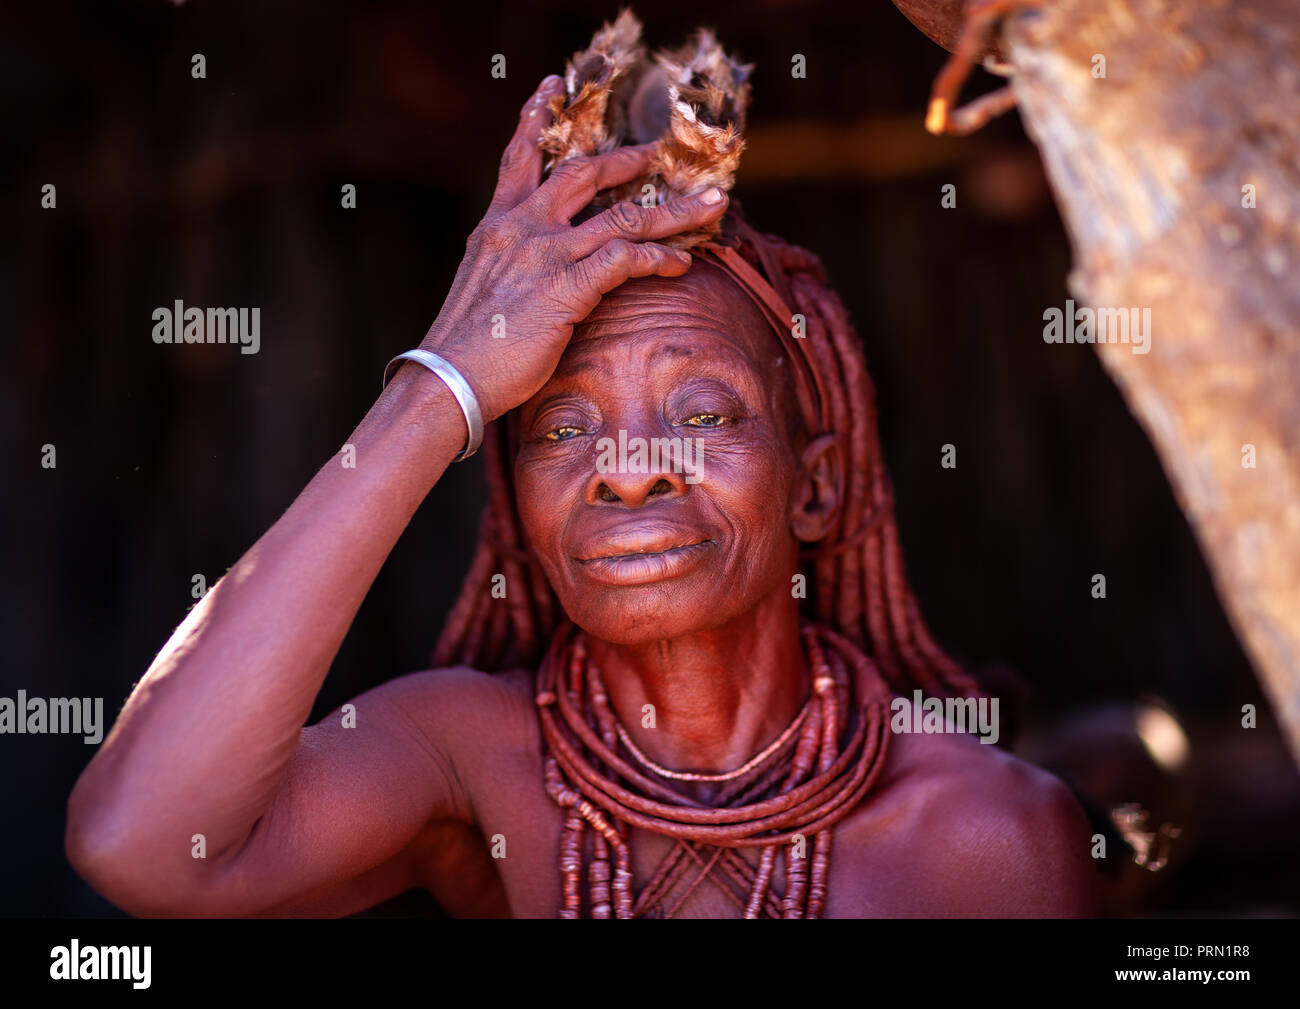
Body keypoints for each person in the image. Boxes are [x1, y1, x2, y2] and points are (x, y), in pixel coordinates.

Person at [65, 67, 1096, 919]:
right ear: (515, 503)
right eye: (559, 427)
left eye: (702, 415)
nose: (629, 463)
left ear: (815, 487)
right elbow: (143, 845)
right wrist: (445, 382)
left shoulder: (988, 841)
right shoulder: (471, 759)